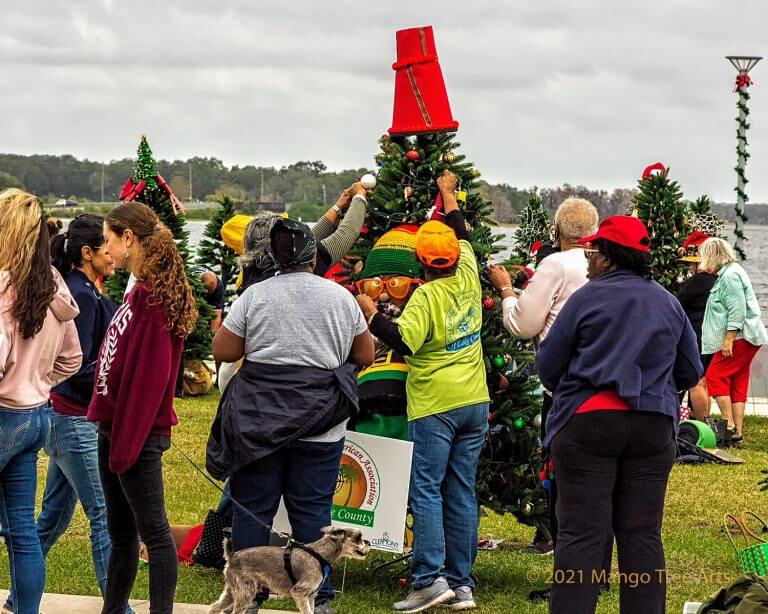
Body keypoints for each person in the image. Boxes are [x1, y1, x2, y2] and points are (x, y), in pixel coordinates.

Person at [207, 217, 375, 614]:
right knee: (313, 512)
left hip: (260, 426)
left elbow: (223, 350)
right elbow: (365, 355)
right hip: (321, 427)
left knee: (253, 509)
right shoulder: (340, 298)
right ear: (313, 256)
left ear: (273, 257)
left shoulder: (255, 296)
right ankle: (320, 600)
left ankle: (250, 599)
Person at [536, 216, 702, 613]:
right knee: (643, 534)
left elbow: (548, 365)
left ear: (608, 259)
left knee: (581, 535)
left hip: (588, 425)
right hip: (651, 427)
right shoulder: (667, 302)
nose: (588, 260)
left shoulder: (586, 298)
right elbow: (691, 371)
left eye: (592, 253)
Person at [357, 171, 489, 613]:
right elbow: (460, 229)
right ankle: (463, 583)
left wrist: (370, 309)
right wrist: (448, 194)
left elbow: (402, 341)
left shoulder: (426, 299)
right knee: (462, 490)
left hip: (435, 406)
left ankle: (428, 579)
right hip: (475, 402)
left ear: (422, 263)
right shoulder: (469, 272)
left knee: (427, 489)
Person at [4, 215, 127, 614]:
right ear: (87, 252)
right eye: (108, 244)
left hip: (47, 412)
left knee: (47, 518)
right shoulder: (72, 292)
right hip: (64, 418)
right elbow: (78, 360)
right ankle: (117, 607)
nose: (116, 252)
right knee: (101, 515)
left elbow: (73, 360)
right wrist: (42, 381)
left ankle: (20, 598)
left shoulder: (72, 290)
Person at [88, 202, 198, 614]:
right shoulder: (139, 292)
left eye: (108, 239)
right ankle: (113, 609)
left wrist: (125, 449)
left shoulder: (154, 304)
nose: (106, 249)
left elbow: (148, 385)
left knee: (153, 532)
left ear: (128, 238)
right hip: (114, 431)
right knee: (121, 534)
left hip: (136, 437)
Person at [486, 197, 598, 562]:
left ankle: (565, 555)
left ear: (558, 231)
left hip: (563, 388)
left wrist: (505, 290)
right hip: (601, 386)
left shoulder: (556, 263)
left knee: (561, 476)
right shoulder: (601, 265)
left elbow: (523, 324)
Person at [0, 189, 82, 614]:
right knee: (23, 533)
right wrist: (37, 380)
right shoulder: (53, 284)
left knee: (19, 531)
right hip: (36, 416)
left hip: (3, 415)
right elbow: (73, 357)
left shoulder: (4, 287)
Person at [222, 183, 368, 291]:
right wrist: (359, 196)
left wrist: (337, 208)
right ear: (274, 241)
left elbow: (309, 238)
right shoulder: (295, 265)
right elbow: (346, 233)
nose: (287, 233)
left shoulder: (253, 270)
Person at [354, 224, 423, 441]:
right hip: (364, 410)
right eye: (374, 286)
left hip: (408, 411)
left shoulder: (419, 319)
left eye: (396, 285)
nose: (383, 296)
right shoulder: (356, 322)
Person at [701, 237, 768, 447]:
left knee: (714, 376)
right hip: (749, 337)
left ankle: (728, 427)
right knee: (738, 379)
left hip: (739, 337)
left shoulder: (729, 276)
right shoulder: (734, 271)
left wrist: (728, 339)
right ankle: (737, 434)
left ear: (712, 256)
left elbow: (737, 310)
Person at [675, 231, 717, 421]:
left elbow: (676, 305)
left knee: (694, 382)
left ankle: (694, 421)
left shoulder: (697, 281)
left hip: (694, 336)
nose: (691, 267)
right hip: (710, 336)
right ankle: (697, 419)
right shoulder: (717, 280)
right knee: (702, 381)